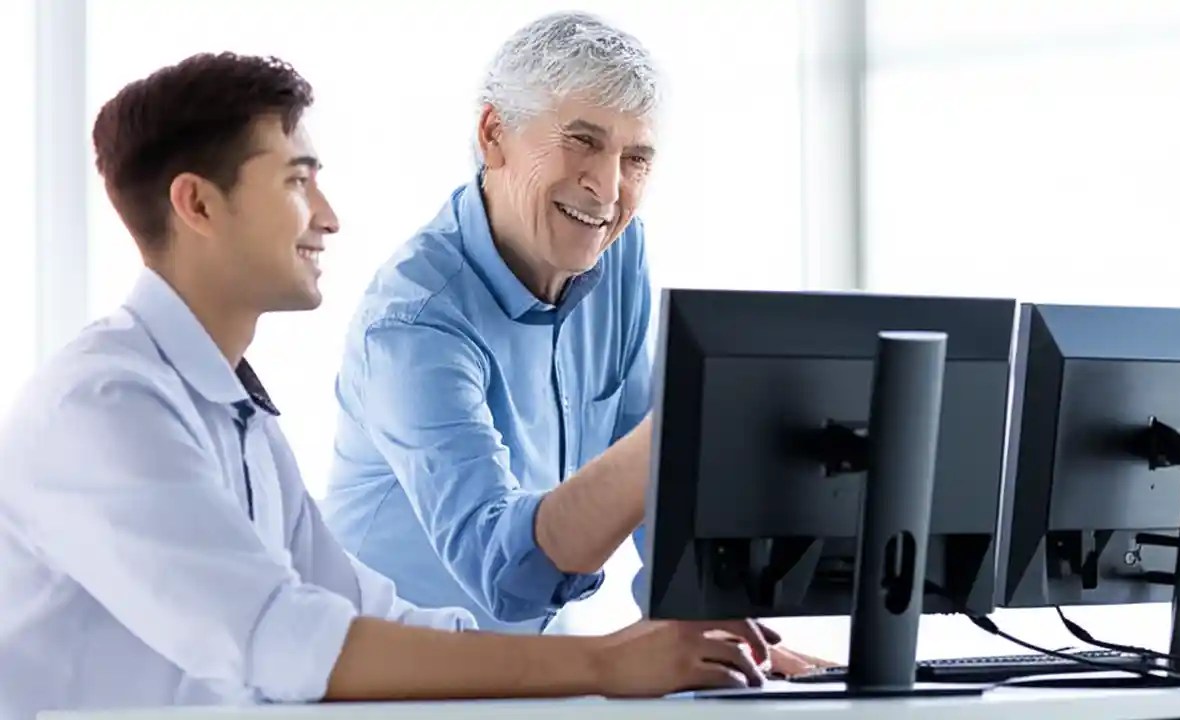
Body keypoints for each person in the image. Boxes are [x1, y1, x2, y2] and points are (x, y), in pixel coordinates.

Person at [0, 52, 767, 720]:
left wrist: (651, 653)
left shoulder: (238, 416)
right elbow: (283, 639)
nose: (329, 218)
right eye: (299, 182)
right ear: (197, 203)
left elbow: (365, 607)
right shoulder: (104, 405)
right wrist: (604, 666)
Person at [323, 12, 828, 673]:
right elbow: (506, 575)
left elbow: (647, 477)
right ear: (493, 134)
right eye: (582, 142)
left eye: (635, 158)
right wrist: (683, 425)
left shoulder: (617, 256)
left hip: (538, 673)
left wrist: (721, 621)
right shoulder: (414, 322)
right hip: (399, 684)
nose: (609, 189)